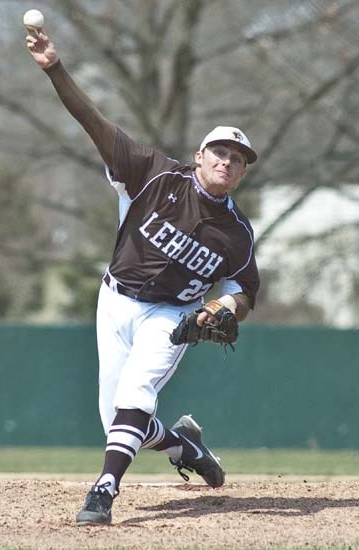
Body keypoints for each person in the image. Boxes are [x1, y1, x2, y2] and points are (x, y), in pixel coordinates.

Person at [26, 29, 260, 525]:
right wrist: (54, 68)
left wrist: (221, 307)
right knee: (117, 421)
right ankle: (185, 448)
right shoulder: (152, 173)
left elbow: (242, 292)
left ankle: (104, 491)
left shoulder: (237, 233)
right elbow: (93, 121)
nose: (227, 160)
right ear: (199, 156)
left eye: (237, 159)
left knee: (135, 398)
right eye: (218, 152)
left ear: (241, 173)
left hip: (171, 316)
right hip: (114, 301)